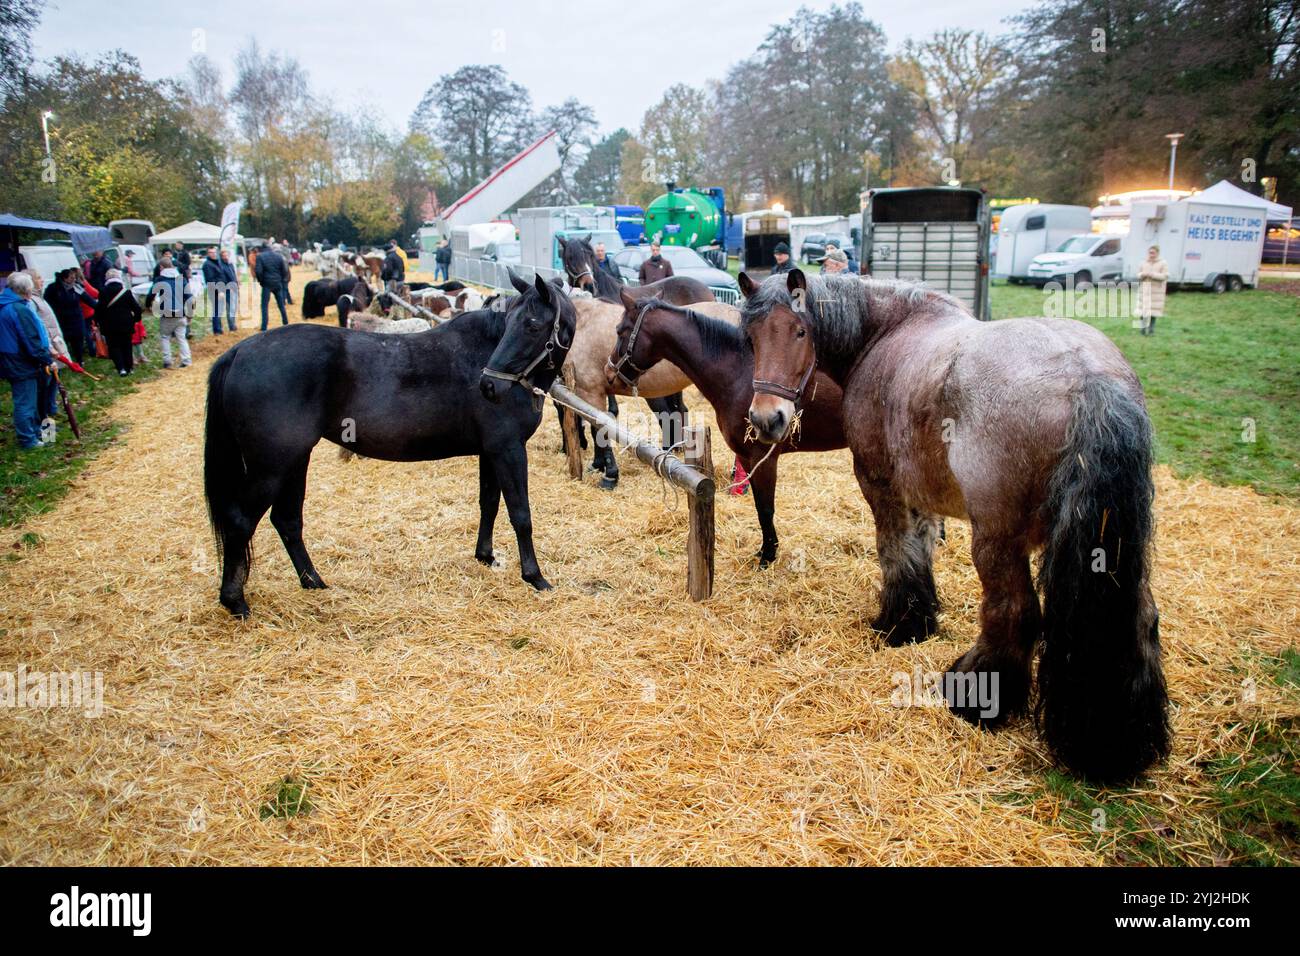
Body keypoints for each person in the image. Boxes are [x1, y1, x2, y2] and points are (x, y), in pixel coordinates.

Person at [0, 273, 55, 450]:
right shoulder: (17, 309)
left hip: (18, 359)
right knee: (26, 401)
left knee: (37, 398)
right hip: (21, 362)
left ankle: (42, 432)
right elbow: (30, 338)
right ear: (26, 289)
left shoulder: (9, 304)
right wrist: (45, 359)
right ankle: (28, 440)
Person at [20, 269, 70, 427]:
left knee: (54, 379)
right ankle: (45, 417)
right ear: (31, 281)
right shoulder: (31, 302)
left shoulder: (38, 297)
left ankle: (50, 410)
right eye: (39, 277)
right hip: (47, 348)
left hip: (53, 344)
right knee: (46, 383)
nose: (42, 280)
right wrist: (48, 348)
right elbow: (37, 328)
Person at [93, 268, 143, 376]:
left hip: (109, 325)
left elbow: (99, 309)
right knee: (127, 345)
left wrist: (97, 322)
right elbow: (136, 308)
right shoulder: (126, 292)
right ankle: (129, 367)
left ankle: (121, 368)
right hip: (126, 323)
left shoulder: (103, 292)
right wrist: (136, 319)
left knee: (114, 346)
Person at [149, 252, 192, 368]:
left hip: (167, 313)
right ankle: (186, 360)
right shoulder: (181, 279)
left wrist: (148, 304)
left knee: (165, 337)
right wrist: (190, 314)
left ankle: (167, 361)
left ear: (161, 267)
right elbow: (189, 297)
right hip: (180, 313)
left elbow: (151, 295)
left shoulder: (159, 280)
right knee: (181, 338)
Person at [45, 269, 96, 364]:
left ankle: (80, 360)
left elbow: (88, 300)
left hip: (77, 318)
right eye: (72, 278)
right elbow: (47, 302)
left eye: (75, 277)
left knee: (78, 339)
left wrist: (99, 307)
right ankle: (65, 360)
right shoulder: (53, 288)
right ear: (64, 279)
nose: (74, 280)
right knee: (64, 340)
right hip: (62, 319)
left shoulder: (76, 287)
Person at [254, 242, 290, 330]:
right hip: (277, 283)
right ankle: (285, 322)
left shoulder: (260, 257)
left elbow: (258, 271)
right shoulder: (278, 256)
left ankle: (264, 327)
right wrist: (281, 280)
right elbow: (285, 270)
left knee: (264, 305)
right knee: (281, 304)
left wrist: (261, 281)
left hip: (266, 284)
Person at [1135, 245, 1168, 335]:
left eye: (1153, 253)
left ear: (1157, 253)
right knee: (1143, 312)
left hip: (1156, 291)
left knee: (1153, 312)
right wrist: (1142, 275)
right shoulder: (1143, 262)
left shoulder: (1163, 263)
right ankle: (1142, 330)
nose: (1151, 254)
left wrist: (1153, 275)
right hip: (1144, 290)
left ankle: (1151, 330)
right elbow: (1138, 274)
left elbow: (1165, 276)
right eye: (1150, 252)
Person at [202, 247, 227, 335]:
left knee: (219, 310)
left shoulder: (217, 262)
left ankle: (219, 328)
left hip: (221, 288)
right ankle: (217, 330)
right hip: (214, 290)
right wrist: (219, 291)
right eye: (211, 252)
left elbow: (221, 276)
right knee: (216, 310)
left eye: (214, 252)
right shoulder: (207, 264)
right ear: (207, 254)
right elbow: (210, 279)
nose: (213, 254)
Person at [219, 249, 239, 332]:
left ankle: (233, 323)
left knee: (234, 307)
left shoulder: (230, 264)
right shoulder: (221, 266)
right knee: (230, 308)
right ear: (221, 257)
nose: (226, 257)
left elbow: (233, 275)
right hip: (228, 289)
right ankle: (231, 325)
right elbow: (222, 279)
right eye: (224, 256)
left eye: (227, 255)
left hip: (234, 288)